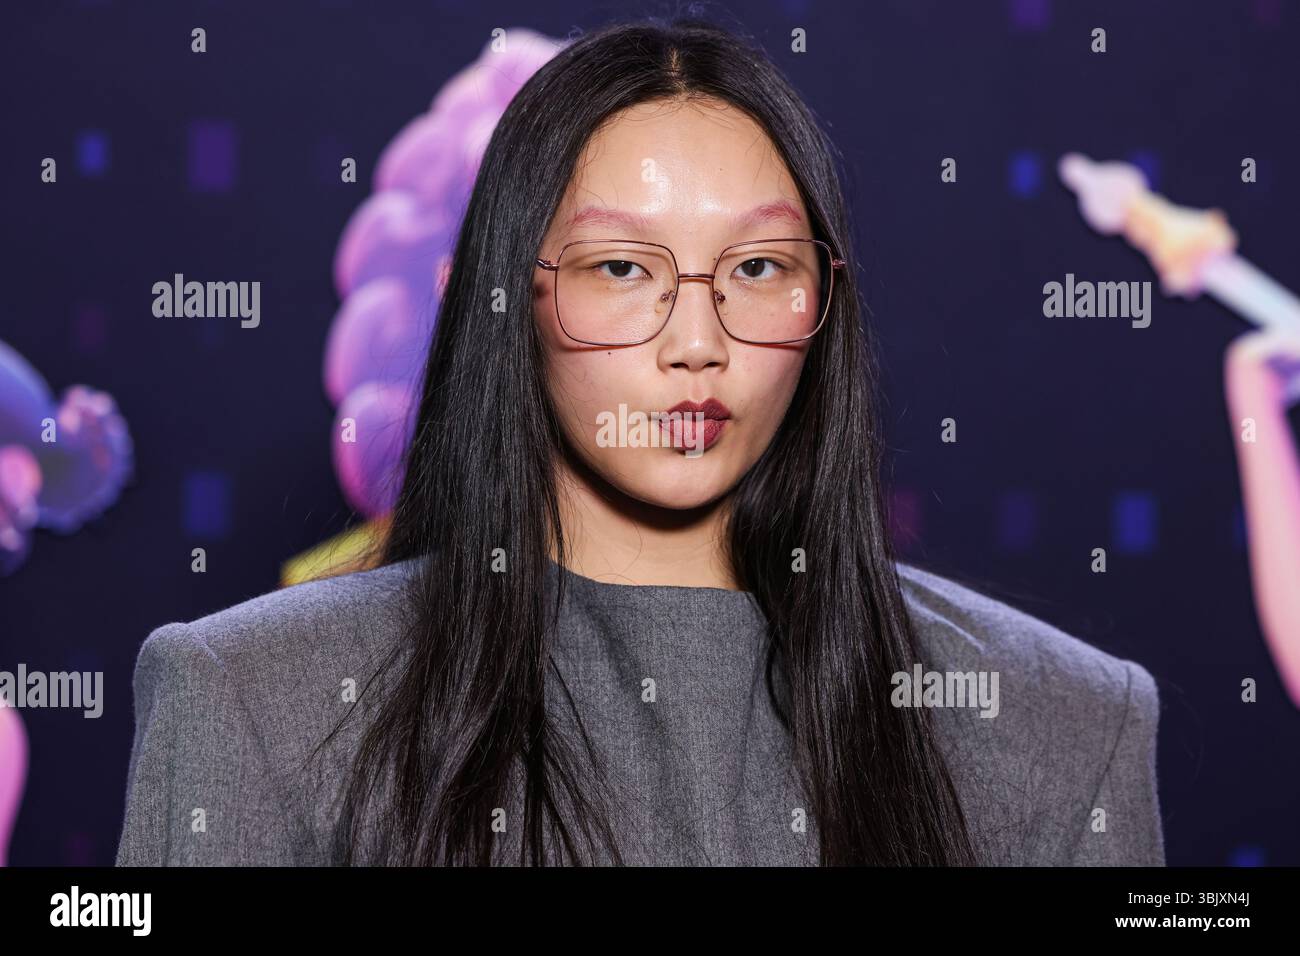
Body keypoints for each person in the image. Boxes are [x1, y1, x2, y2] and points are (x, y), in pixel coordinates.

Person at [115, 16, 1164, 867]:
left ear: (823, 303)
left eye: (756, 267)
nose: (697, 343)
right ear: (500, 299)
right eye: (621, 268)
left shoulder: (1055, 721)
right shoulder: (254, 702)